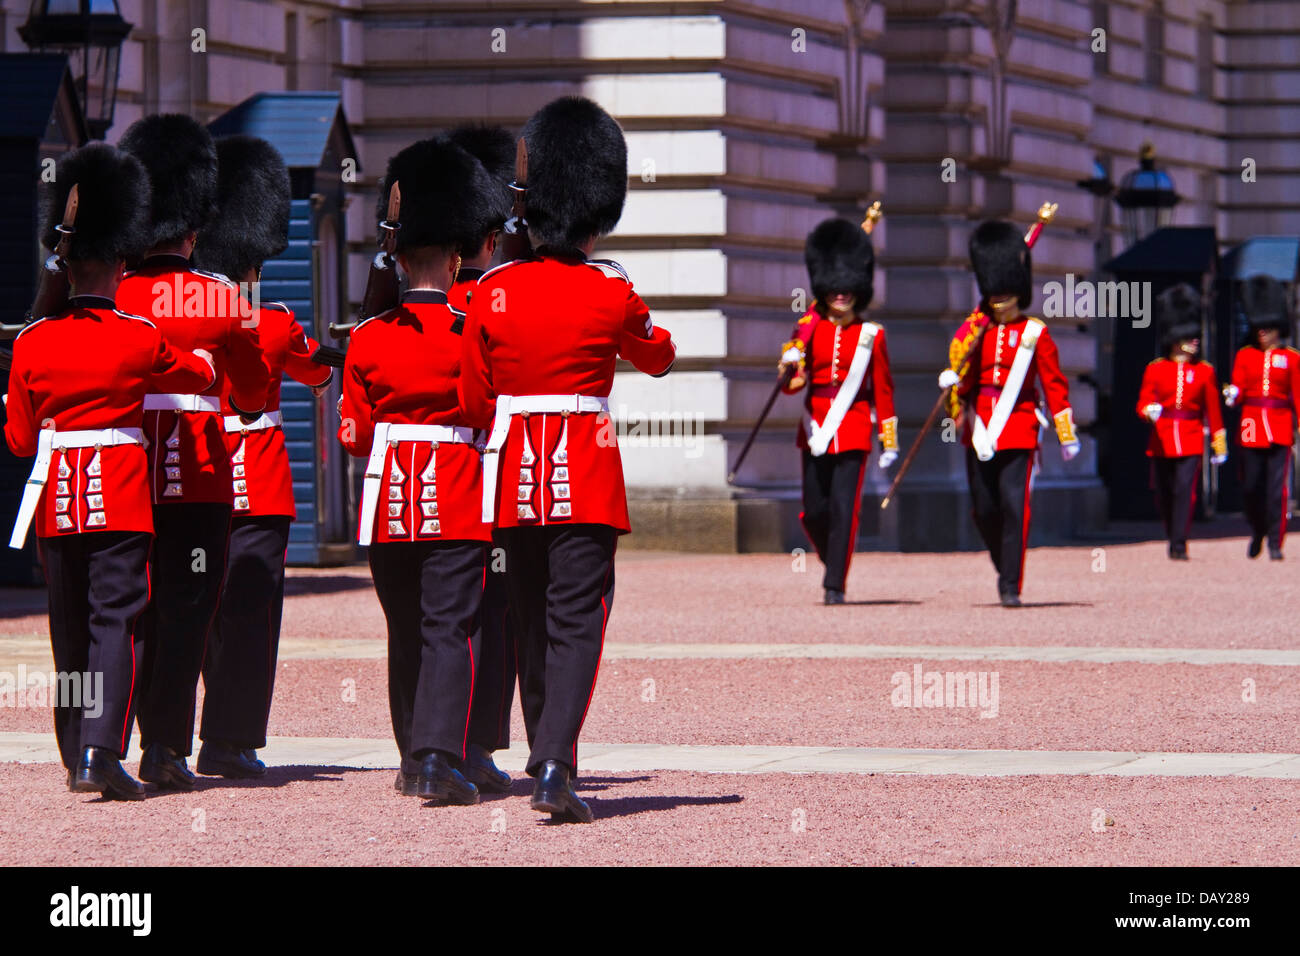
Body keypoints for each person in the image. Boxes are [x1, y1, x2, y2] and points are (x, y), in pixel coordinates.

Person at [458, 96, 676, 822]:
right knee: (579, 617)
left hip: (512, 478)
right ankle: (555, 763)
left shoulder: (492, 292)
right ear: (596, 208)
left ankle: (544, 754)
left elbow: (472, 400)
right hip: (585, 471)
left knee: (528, 617)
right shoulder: (611, 288)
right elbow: (661, 356)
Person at [3, 143, 215, 798]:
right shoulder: (137, 333)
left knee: (67, 634)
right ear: (123, 260)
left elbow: (18, 441)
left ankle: (74, 755)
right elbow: (195, 374)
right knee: (116, 625)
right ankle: (101, 750)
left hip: (57, 504)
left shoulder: (32, 342)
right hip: (121, 499)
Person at [339, 137, 500, 804]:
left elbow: (355, 435)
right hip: (458, 496)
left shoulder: (368, 338)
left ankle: (412, 757)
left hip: (387, 502)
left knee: (405, 629)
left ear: (399, 260)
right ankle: (438, 755)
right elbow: (482, 409)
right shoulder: (473, 328)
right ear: (458, 257)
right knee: (449, 629)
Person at [117, 114, 270, 790]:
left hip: (121, 474)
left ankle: (100, 739)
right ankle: (166, 749)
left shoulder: (111, 297)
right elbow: (255, 393)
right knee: (187, 611)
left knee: (123, 611)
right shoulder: (220, 298)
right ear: (195, 223)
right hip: (201, 477)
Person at [191, 135, 334, 778]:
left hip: (193, 472)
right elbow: (319, 375)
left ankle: (171, 733)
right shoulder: (273, 324)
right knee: (251, 617)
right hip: (262, 483)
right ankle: (229, 737)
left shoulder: (176, 317)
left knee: (196, 608)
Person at [939, 220, 1078, 608]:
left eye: (1006, 292)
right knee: (984, 508)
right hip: (981, 426)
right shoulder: (974, 330)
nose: (1000, 299)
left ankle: (1011, 583)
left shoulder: (1035, 333)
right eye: (994, 292)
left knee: (1015, 504)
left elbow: (1054, 384)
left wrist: (1066, 433)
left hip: (1019, 425)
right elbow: (963, 377)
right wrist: (954, 383)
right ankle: (1005, 565)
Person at [444, 123, 517, 792]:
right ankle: (478, 744)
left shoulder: (430, 306)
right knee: (492, 619)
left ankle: (430, 747)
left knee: (435, 625)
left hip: (431, 484)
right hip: (494, 478)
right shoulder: (497, 300)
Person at [778, 217, 896, 605]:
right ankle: (836, 560)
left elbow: (883, 389)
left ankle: (835, 583)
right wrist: (790, 365)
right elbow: (792, 385)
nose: (841, 294)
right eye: (834, 287)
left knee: (845, 509)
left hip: (855, 426)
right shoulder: (808, 329)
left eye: (848, 288)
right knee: (814, 511)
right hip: (815, 426)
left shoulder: (871, 336)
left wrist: (888, 440)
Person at [1136, 284, 1226, 559]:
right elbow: (1142, 402)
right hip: (1161, 438)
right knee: (1164, 493)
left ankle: (1178, 542)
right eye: (1189, 335)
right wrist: (1148, 411)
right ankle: (1171, 531)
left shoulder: (1204, 372)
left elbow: (1213, 410)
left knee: (1185, 491)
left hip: (1190, 436)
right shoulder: (1156, 369)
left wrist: (1219, 444)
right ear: (1175, 338)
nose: (1195, 340)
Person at [1224, 274, 1299, 560]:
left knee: (1276, 490)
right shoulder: (1245, 356)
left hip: (1280, 426)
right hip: (1252, 425)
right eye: (1260, 328)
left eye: (1268, 327)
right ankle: (1257, 529)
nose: (1263, 332)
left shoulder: (1291, 358)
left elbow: (1297, 395)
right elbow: (1239, 388)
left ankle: (1275, 543)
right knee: (1252, 486)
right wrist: (1233, 394)